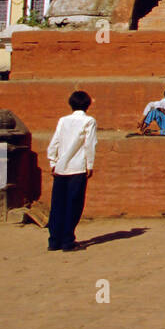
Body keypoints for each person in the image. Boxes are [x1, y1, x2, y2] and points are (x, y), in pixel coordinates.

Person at [46, 90, 97, 252]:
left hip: (60, 168)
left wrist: (52, 160)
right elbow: (90, 144)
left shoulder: (63, 120)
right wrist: (90, 165)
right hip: (77, 168)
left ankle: (54, 241)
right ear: (88, 105)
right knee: (73, 205)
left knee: (57, 204)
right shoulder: (89, 121)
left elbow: (55, 141)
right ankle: (68, 241)